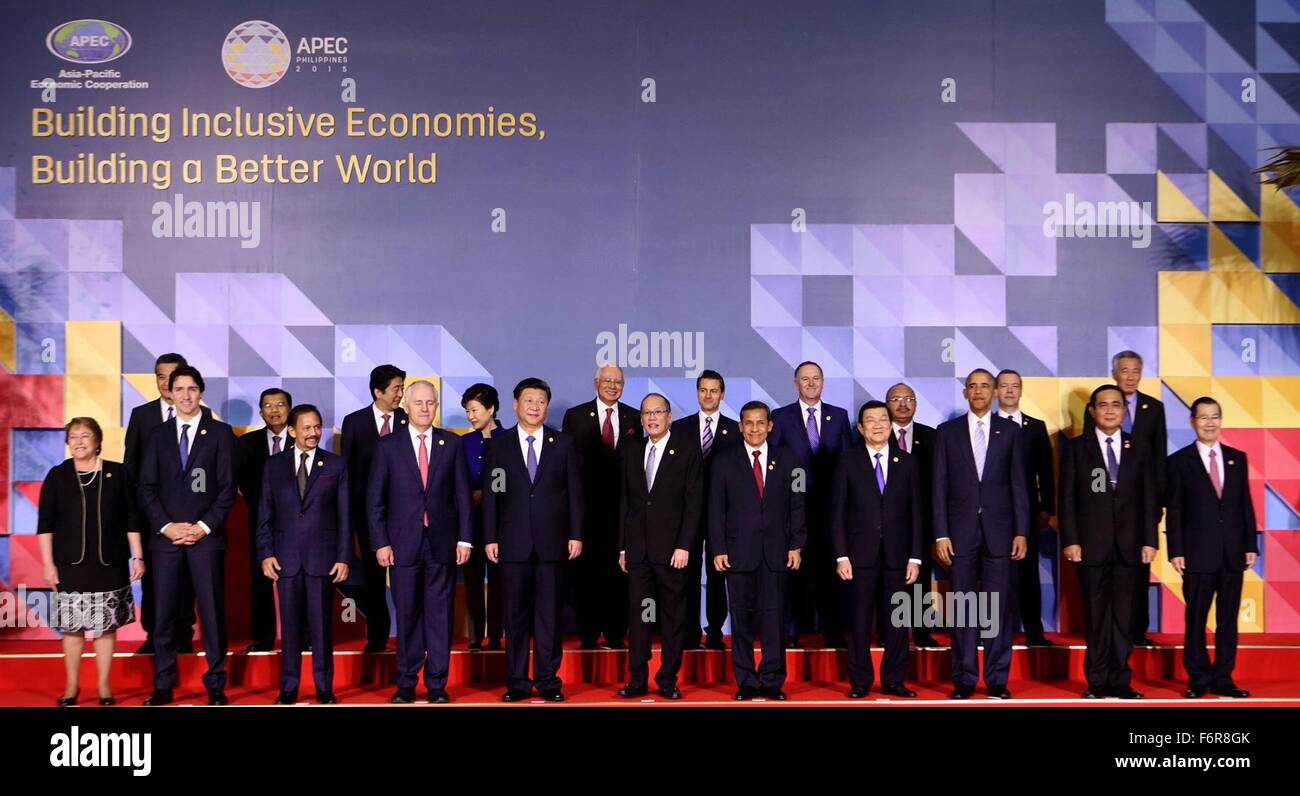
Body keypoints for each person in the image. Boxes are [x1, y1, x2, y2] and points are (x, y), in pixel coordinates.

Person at [137, 366, 237, 706]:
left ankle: (216, 683)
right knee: (163, 614)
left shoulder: (221, 434)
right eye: (179, 388)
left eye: (192, 388)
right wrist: (167, 527)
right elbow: (146, 488)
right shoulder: (157, 435)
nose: (185, 395)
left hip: (206, 539)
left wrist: (201, 527)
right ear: (170, 392)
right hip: (166, 540)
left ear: (201, 391)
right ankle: (163, 684)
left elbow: (226, 489)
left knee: (211, 612)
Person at [368, 381, 472, 703]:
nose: (425, 408)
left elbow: (462, 496)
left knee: (440, 616)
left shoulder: (451, 444)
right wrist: (381, 543)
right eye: (419, 403)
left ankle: (437, 685)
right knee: (408, 615)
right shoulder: (388, 446)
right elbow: (375, 501)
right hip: (401, 545)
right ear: (407, 407)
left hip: (441, 543)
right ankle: (407, 684)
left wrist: (465, 539)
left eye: (431, 403)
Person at [483, 378, 584, 702]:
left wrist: (576, 534)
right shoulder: (499, 446)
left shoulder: (563, 444)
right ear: (515, 404)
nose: (535, 407)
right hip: (511, 543)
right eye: (529, 401)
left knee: (548, 617)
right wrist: (490, 537)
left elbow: (575, 494)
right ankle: (516, 682)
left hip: (553, 543)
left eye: (541, 401)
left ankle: (548, 681)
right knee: (514, 617)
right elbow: (492, 496)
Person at [932, 368, 1028, 699]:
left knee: (998, 608)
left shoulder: (1011, 432)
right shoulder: (947, 432)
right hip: (958, 535)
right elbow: (939, 487)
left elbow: (1019, 485)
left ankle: (997, 678)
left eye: (985, 386)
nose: (978, 391)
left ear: (996, 393)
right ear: (964, 393)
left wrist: (1022, 531)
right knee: (963, 607)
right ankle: (964, 678)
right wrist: (941, 533)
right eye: (972, 386)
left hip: (1001, 533)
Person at [1059, 385, 1158, 698]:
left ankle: (1121, 680)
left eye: (1117, 405)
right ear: (1092, 411)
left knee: (1123, 617)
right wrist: (1071, 540)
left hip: (1130, 546)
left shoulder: (1139, 447)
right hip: (1091, 546)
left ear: (1125, 410)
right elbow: (1068, 500)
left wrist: (1149, 540)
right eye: (1104, 405)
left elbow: (1148, 499)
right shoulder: (1076, 449)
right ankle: (1097, 682)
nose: (1111, 410)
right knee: (1096, 616)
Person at [38, 417, 145, 706]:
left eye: (85, 436)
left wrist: (138, 556)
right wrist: (48, 565)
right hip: (70, 565)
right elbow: (45, 524)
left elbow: (131, 519)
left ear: (97, 442)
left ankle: (104, 687)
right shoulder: (57, 476)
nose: (79, 442)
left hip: (109, 564)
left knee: (105, 626)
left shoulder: (117, 473)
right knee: (72, 628)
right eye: (73, 436)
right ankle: (72, 687)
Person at [710, 401, 806, 700]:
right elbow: (716, 509)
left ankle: (772, 681)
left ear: (770, 425)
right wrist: (718, 548)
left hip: (777, 552)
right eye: (748, 423)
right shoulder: (723, 460)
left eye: (760, 423)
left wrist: (797, 544)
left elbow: (798, 504)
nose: (754, 428)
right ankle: (747, 682)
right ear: (740, 426)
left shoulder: (789, 459)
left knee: (774, 620)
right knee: (740, 622)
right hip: (737, 554)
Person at [257, 404, 352, 705]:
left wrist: (344, 556)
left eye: (317, 427)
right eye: (307, 428)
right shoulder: (273, 466)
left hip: (322, 559)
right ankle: (289, 687)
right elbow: (264, 514)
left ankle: (324, 688)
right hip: (285, 559)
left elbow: (345, 516)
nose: (313, 433)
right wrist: (266, 553)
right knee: (290, 627)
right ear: (292, 431)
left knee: (322, 628)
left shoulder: (335, 465)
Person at [831, 401, 923, 699]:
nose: (878, 424)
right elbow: (837, 512)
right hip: (858, 557)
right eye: (870, 420)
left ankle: (894, 680)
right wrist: (841, 555)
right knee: (858, 621)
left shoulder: (907, 462)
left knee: (897, 621)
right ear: (860, 427)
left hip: (898, 557)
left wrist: (915, 556)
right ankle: (860, 680)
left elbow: (917, 514)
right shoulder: (847, 461)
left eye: (883, 419)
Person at [1167, 397, 1257, 699]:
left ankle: (1223, 678)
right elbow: (1175, 510)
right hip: (1196, 554)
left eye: (1215, 417)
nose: (1210, 423)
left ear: (1221, 420)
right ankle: (1197, 677)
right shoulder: (1179, 462)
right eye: (1203, 417)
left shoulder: (1237, 458)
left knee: (1228, 621)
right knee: (1195, 619)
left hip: (1232, 554)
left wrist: (1250, 544)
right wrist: (1175, 550)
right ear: (1193, 421)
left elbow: (1245, 504)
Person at [617, 393, 703, 700]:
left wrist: (684, 546)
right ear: (640, 419)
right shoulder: (631, 450)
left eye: (658, 412)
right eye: (647, 414)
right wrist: (624, 547)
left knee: (672, 617)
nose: (652, 418)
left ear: (669, 416)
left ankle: (668, 678)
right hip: (638, 551)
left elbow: (694, 505)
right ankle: (637, 678)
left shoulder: (688, 451)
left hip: (673, 553)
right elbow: (626, 502)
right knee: (639, 617)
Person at [123, 352, 209, 653]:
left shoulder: (205, 417)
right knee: (153, 581)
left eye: (174, 376)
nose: (167, 382)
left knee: (187, 579)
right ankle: (154, 635)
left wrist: (196, 521)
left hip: (193, 521)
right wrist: (144, 516)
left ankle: (183, 634)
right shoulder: (142, 416)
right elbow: (131, 471)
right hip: (153, 518)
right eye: (161, 376)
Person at [1084, 351, 1166, 645]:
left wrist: (1157, 501)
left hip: (1139, 506)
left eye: (1136, 371)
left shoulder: (1153, 408)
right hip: (1101, 513)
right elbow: (1087, 458)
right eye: (1125, 370)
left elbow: (1158, 458)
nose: (1130, 376)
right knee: (1100, 586)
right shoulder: (1098, 403)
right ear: (1115, 373)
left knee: (1137, 574)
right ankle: (1105, 637)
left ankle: (1137, 631)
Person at [769, 361, 852, 649]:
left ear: (823, 382)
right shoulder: (780, 417)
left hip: (830, 507)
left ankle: (832, 630)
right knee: (793, 571)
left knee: (831, 570)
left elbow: (846, 463)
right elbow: (775, 463)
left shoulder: (839, 417)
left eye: (816, 378)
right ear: (796, 384)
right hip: (792, 507)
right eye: (805, 379)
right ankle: (791, 630)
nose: (811, 384)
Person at [562, 364, 640, 649]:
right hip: (587, 511)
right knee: (587, 575)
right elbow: (569, 465)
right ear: (596, 382)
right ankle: (588, 633)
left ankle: (617, 632)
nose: (612, 385)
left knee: (620, 573)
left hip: (623, 510)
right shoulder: (576, 417)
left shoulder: (635, 417)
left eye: (618, 381)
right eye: (607, 380)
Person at [337, 364, 407, 653]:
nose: (400, 394)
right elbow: (348, 472)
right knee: (373, 579)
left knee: (407, 579)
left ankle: (410, 638)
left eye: (402, 387)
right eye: (396, 388)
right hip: (368, 516)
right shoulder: (354, 422)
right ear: (378, 392)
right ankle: (377, 637)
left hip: (405, 514)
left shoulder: (409, 418)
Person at [670, 369, 739, 649]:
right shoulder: (680, 428)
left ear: (722, 394)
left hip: (722, 515)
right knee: (685, 572)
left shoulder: (736, 430)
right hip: (687, 513)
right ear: (697, 393)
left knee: (717, 572)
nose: (708, 395)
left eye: (714, 390)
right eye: (703, 390)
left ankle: (713, 631)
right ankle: (687, 631)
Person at [994, 369, 1057, 646]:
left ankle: (1034, 632)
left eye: (1014, 386)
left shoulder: (1035, 427)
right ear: (995, 391)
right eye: (1004, 386)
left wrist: (1046, 508)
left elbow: (1045, 472)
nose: (1009, 391)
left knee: (1028, 573)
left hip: (1028, 512)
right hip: (992, 513)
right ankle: (993, 633)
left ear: (1021, 390)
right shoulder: (985, 424)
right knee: (994, 574)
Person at [235, 387, 292, 652]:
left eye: (280, 404)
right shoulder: (246, 444)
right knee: (260, 580)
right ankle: (263, 637)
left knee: (296, 580)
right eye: (268, 406)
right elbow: (242, 482)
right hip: (260, 520)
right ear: (261, 412)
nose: (275, 410)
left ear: (289, 410)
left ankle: (301, 636)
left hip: (296, 523)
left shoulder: (301, 439)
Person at [886, 381, 939, 648]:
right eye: (896, 398)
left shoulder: (932, 437)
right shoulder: (876, 435)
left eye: (908, 398)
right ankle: (889, 632)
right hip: (886, 523)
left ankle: (921, 631)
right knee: (888, 578)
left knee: (920, 577)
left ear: (916, 404)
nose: (903, 403)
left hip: (923, 521)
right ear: (888, 405)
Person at [460, 383, 504, 650]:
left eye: (475, 410)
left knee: (500, 582)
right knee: (473, 579)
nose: (471, 416)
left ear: (491, 408)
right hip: (471, 523)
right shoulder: (463, 442)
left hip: (502, 523)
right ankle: (476, 635)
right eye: (467, 411)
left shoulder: (510, 439)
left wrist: (486, 494)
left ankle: (497, 634)